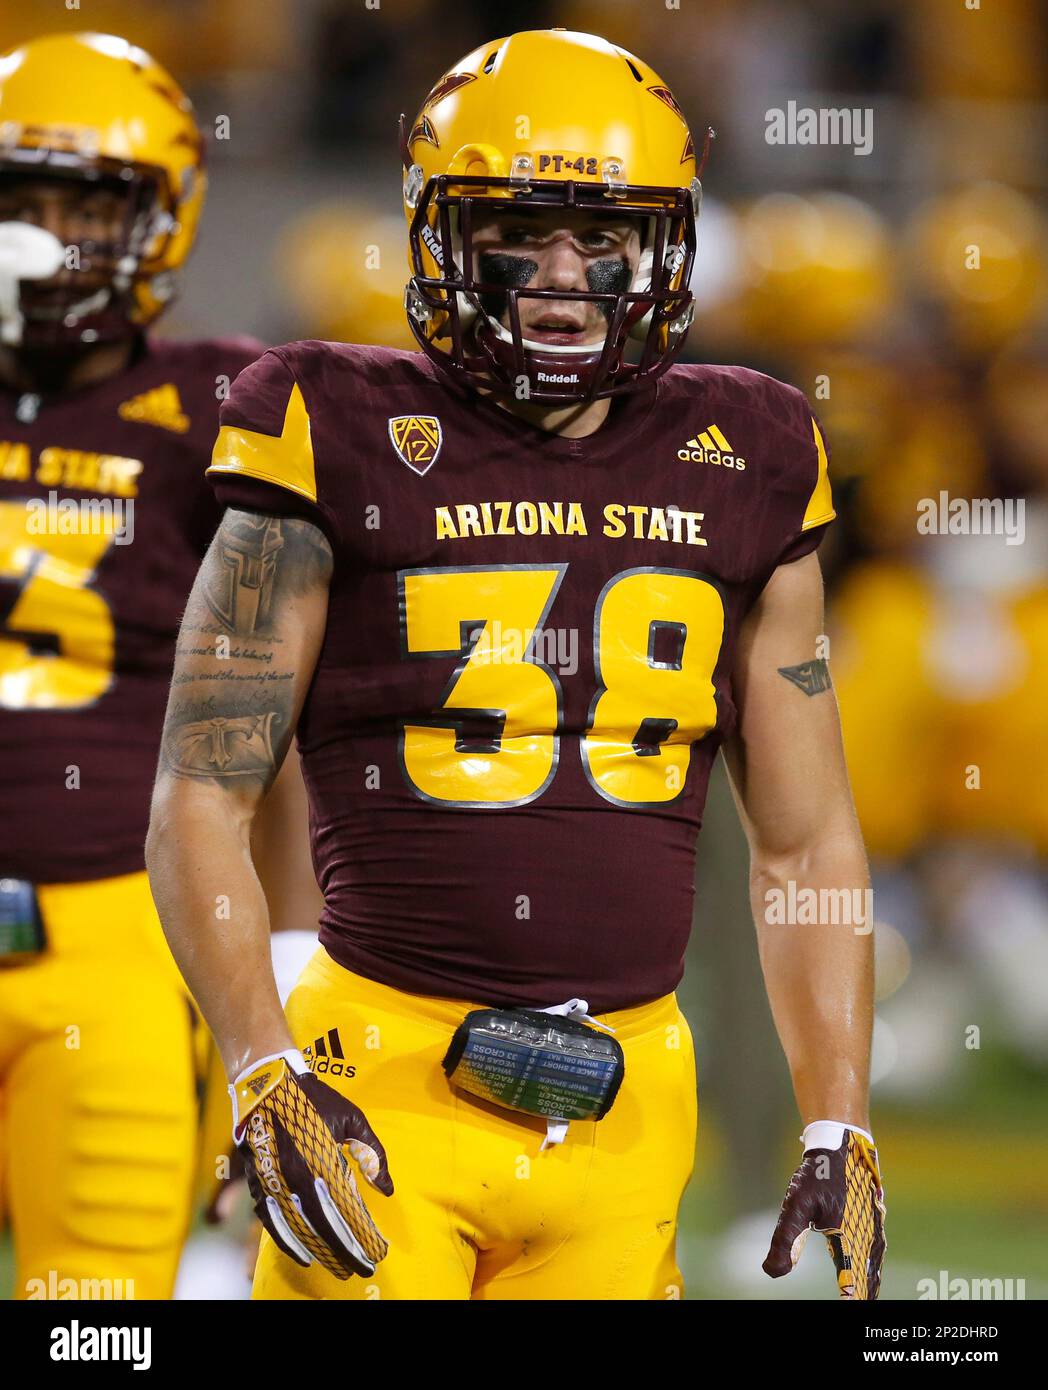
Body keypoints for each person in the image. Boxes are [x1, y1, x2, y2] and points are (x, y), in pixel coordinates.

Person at [147, 27, 885, 1301]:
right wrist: (260, 1061)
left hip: (633, 1098)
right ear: (439, 235)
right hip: (378, 1069)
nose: (558, 276)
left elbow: (804, 843)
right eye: (518, 230)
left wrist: (839, 1111)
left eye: (600, 238)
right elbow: (203, 788)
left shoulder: (751, 449)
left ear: (663, 242)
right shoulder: (330, 423)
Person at [0, 32, 260, 1299]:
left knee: (94, 1321)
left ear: (160, 218)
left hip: (113, 932)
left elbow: (281, 725)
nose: (44, 237)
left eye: (83, 205)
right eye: (18, 202)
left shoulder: (221, 413)